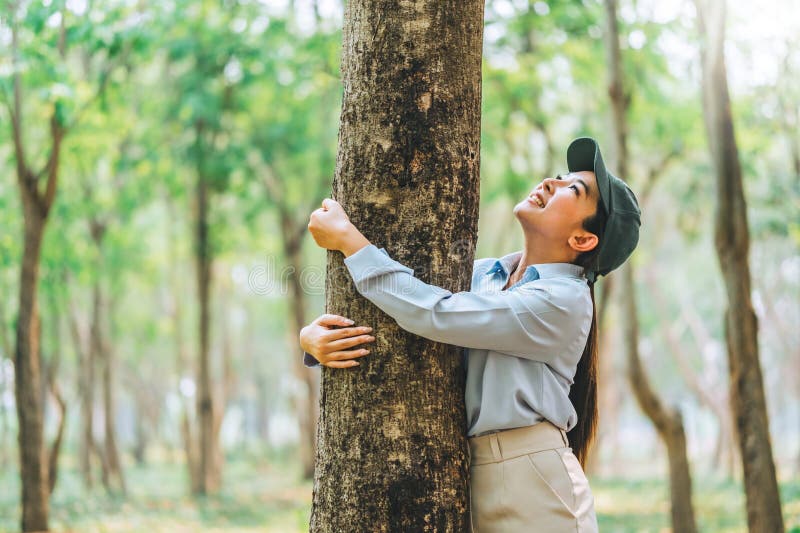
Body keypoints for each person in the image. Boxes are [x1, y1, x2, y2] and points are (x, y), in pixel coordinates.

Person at [299, 137, 641, 532]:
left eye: (572, 189)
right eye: (562, 176)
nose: (551, 182)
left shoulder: (565, 300)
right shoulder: (485, 275)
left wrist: (351, 243)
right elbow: (404, 300)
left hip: (536, 485)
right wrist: (312, 336)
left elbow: (435, 312)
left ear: (583, 240)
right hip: (468, 472)